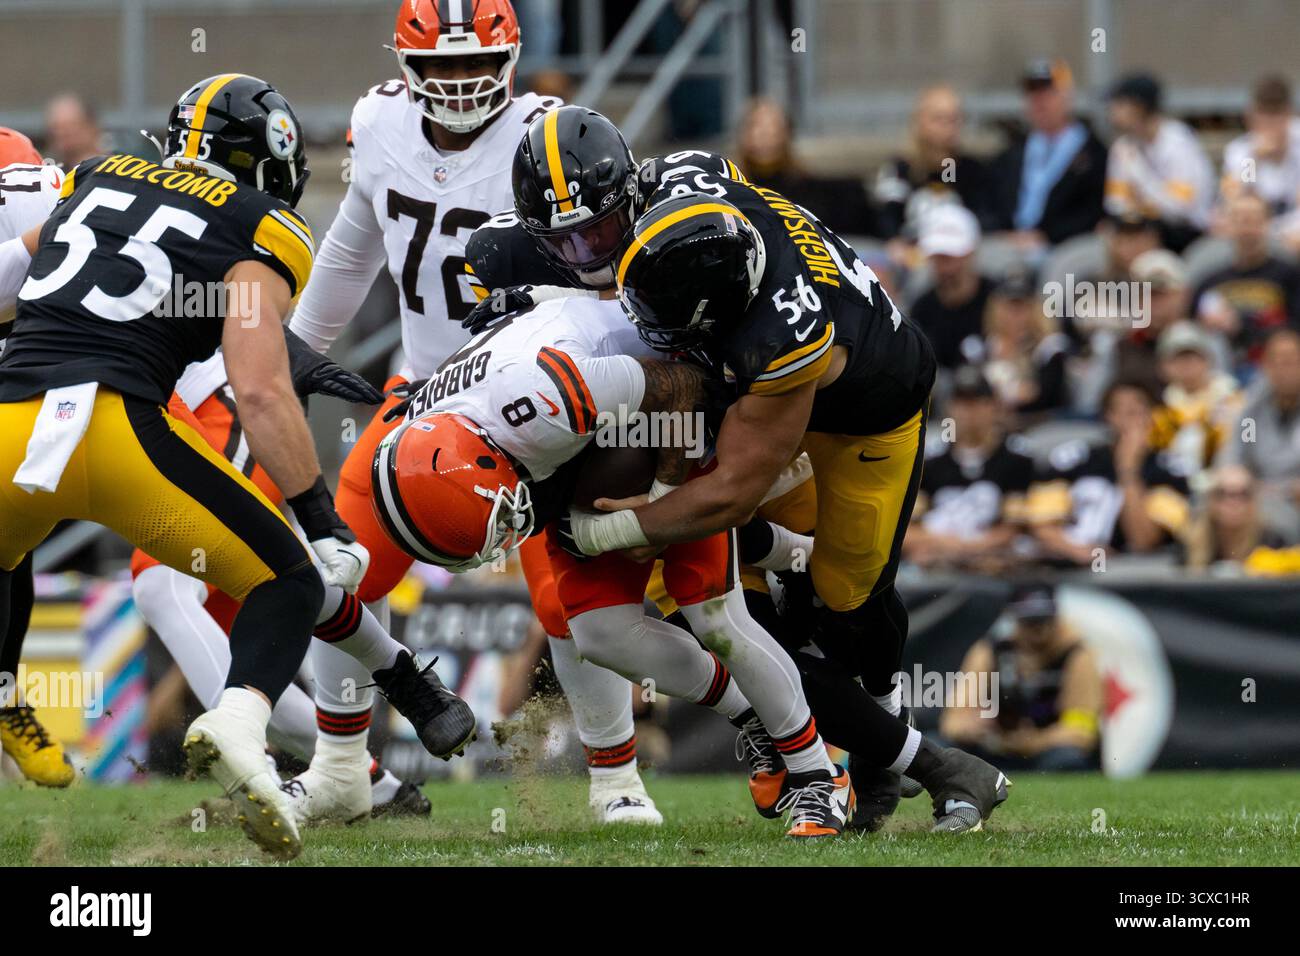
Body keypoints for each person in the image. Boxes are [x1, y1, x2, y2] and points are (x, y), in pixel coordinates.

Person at [0, 75, 471, 860]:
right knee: (285, 581)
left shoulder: (93, 175)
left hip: (12, 429)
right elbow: (256, 386)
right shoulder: (262, 224)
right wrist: (318, 516)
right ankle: (240, 725)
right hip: (121, 432)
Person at [281, 0, 651, 824]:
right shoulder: (379, 124)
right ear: (408, 68)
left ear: (511, 58)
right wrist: (296, 346)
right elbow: (352, 243)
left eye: (476, 63)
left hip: (541, 391)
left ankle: (616, 780)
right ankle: (342, 763)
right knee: (342, 568)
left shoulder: (549, 134)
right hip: (430, 394)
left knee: (571, 600)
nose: (458, 82)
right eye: (442, 66)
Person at [574, 162, 1012, 833]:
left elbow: (732, 492)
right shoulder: (689, 187)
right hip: (771, 403)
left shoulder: (782, 339)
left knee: (845, 600)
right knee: (729, 612)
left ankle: (887, 730)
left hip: (867, 417)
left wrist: (618, 531)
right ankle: (881, 752)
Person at [939, 583, 1101, 772]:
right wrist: (973, 728)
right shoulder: (990, 652)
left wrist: (1031, 742)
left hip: (1045, 752)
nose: (1038, 631)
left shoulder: (1075, 655)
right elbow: (952, 723)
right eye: (1029, 622)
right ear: (1014, 619)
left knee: (1068, 760)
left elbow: (1081, 730)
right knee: (941, 749)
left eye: (1044, 621)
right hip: (995, 748)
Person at [1029, 380, 1191, 565]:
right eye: (1124, 411)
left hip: (1127, 570)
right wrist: (1078, 551)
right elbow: (1042, 524)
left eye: (1139, 410)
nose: (1132, 419)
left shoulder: (1168, 469)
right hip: (1069, 560)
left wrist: (1128, 469)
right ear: (1108, 416)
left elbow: (1144, 541)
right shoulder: (1075, 459)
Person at [904, 366, 1035, 572]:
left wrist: (965, 549)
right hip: (937, 565)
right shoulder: (930, 462)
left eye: (977, 403)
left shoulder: (1016, 460)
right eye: (961, 403)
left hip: (994, 567)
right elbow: (908, 530)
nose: (968, 412)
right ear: (950, 408)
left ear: (994, 407)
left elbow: (1015, 529)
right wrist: (953, 548)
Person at [983, 59, 1108, 249]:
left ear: (1068, 97)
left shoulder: (1093, 154)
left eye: (1048, 93)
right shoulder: (1012, 154)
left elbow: (1094, 211)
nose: (1040, 102)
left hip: (1066, 247)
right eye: (1033, 95)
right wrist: (1006, 235)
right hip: (1011, 245)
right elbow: (991, 202)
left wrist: (1046, 236)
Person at [1104, 71, 1214, 251]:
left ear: (1139, 107)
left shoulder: (1179, 142)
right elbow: (1115, 203)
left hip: (1187, 236)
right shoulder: (1122, 146)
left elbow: (1179, 209)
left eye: (1119, 104)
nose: (1113, 111)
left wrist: (1138, 174)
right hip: (1141, 229)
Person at [735, 96, 873, 239]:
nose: (766, 134)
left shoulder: (809, 193)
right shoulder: (730, 191)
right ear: (743, 134)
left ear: (787, 134)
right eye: (757, 126)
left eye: (773, 127)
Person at [1194, 191, 1300, 372]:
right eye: (1240, 221)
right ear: (1228, 225)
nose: (1247, 230)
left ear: (1268, 223)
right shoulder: (1210, 280)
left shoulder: (1289, 275)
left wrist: (1242, 324)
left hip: (1272, 369)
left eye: (1254, 221)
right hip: (1221, 370)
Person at [1215, 327, 1300, 540]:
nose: (1283, 369)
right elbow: (1239, 456)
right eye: (1276, 361)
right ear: (1265, 365)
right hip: (1261, 497)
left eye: (1291, 360)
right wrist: (1239, 482)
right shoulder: (1252, 412)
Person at [873, 84, 986, 242]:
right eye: (939, 119)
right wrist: (896, 243)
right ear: (920, 121)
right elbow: (887, 216)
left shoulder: (965, 169)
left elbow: (981, 217)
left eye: (954, 119)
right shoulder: (900, 169)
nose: (947, 127)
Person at [907, 204, 994, 370]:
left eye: (951, 258)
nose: (945, 269)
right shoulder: (922, 309)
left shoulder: (999, 300)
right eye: (937, 258)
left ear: (971, 254)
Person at [976, 270, 1070, 420]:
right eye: (1008, 307)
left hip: (1038, 422)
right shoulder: (981, 347)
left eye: (1022, 307)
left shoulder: (1050, 348)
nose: (1014, 314)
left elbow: (1047, 396)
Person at [1150, 321, 1242, 475]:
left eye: (1193, 357)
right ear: (1163, 366)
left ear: (1208, 360)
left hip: (1227, 479)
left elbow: (1251, 436)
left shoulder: (1234, 397)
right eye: (1177, 358)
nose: (1186, 365)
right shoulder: (1160, 409)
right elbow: (1156, 453)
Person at [1220, 75, 1300, 227]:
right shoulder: (1240, 152)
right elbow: (1236, 201)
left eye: (1276, 115)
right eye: (1263, 114)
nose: (1269, 123)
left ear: (1289, 114)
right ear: (1250, 116)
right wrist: (1255, 158)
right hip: (1257, 233)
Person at [1182, 465, 1287, 571]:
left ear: (1254, 501)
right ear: (1210, 500)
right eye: (1222, 493)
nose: (1233, 502)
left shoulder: (1272, 542)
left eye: (1243, 494)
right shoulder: (1189, 542)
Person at [43, 93, 104, 168]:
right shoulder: (50, 172)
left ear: (91, 127)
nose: (61, 133)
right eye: (56, 128)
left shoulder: (117, 169)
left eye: (69, 127)